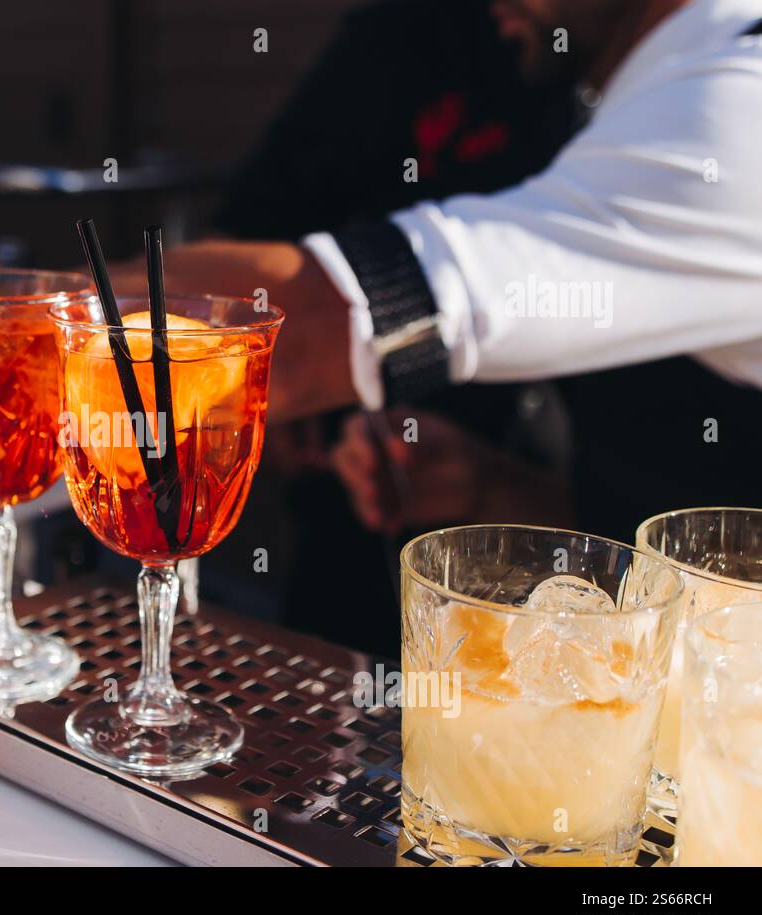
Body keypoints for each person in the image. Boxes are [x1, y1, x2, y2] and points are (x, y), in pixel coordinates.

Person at [113, 0, 762, 544]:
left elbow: (329, 318)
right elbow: (687, 514)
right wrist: (491, 484)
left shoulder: (732, 110)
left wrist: (33, 319)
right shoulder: (638, 91)